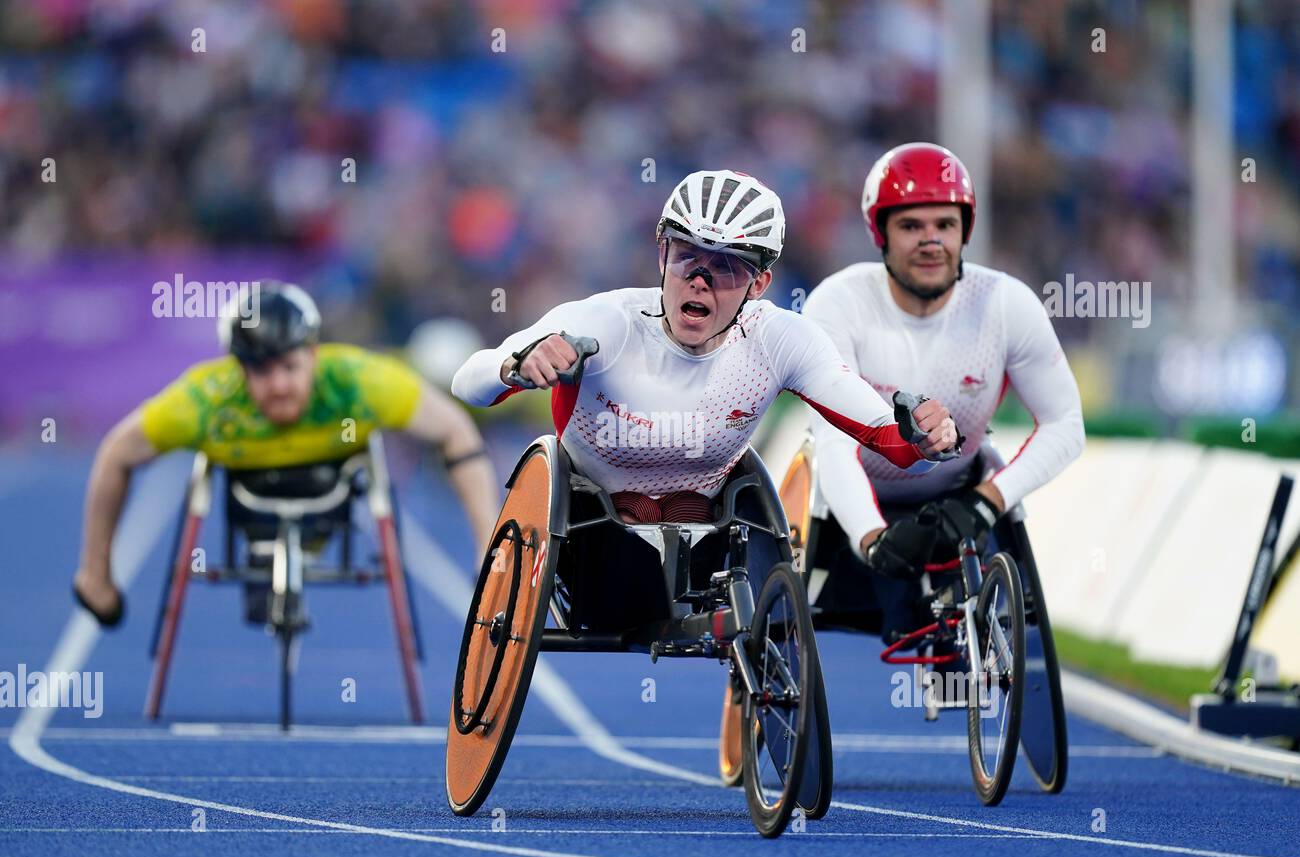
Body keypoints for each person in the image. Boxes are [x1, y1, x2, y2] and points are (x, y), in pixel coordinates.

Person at [451, 169, 961, 535]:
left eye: (726, 267)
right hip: (586, 531)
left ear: (759, 283)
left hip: (713, 537)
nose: (699, 281)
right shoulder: (604, 322)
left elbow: (890, 442)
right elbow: (467, 383)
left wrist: (923, 440)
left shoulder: (781, 340)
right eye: (688, 258)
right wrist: (516, 366)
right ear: (661, 254)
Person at [72, 281, 499, 626]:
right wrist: (96, 574)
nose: (278, 386)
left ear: (314, 354)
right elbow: (116, 453)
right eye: (260, 370)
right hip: (247, 501)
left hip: (330, 499)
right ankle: (264, 556)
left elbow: (455, 430)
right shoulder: (205, 397)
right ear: (237, 368)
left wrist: (488, 547)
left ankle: (276, 561)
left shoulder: (357, 380)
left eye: (290, 368)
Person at [800, 142, 1084, 643]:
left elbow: (1066, 426)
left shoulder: (1005, 304)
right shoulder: (837, 304)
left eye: (945, 226)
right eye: (911, 226)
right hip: (854, 501)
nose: (931, 241)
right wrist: (872, 539)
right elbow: (834, 445)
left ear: (964, 232)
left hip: (962, 496)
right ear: (880, 234)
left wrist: (987, 501)